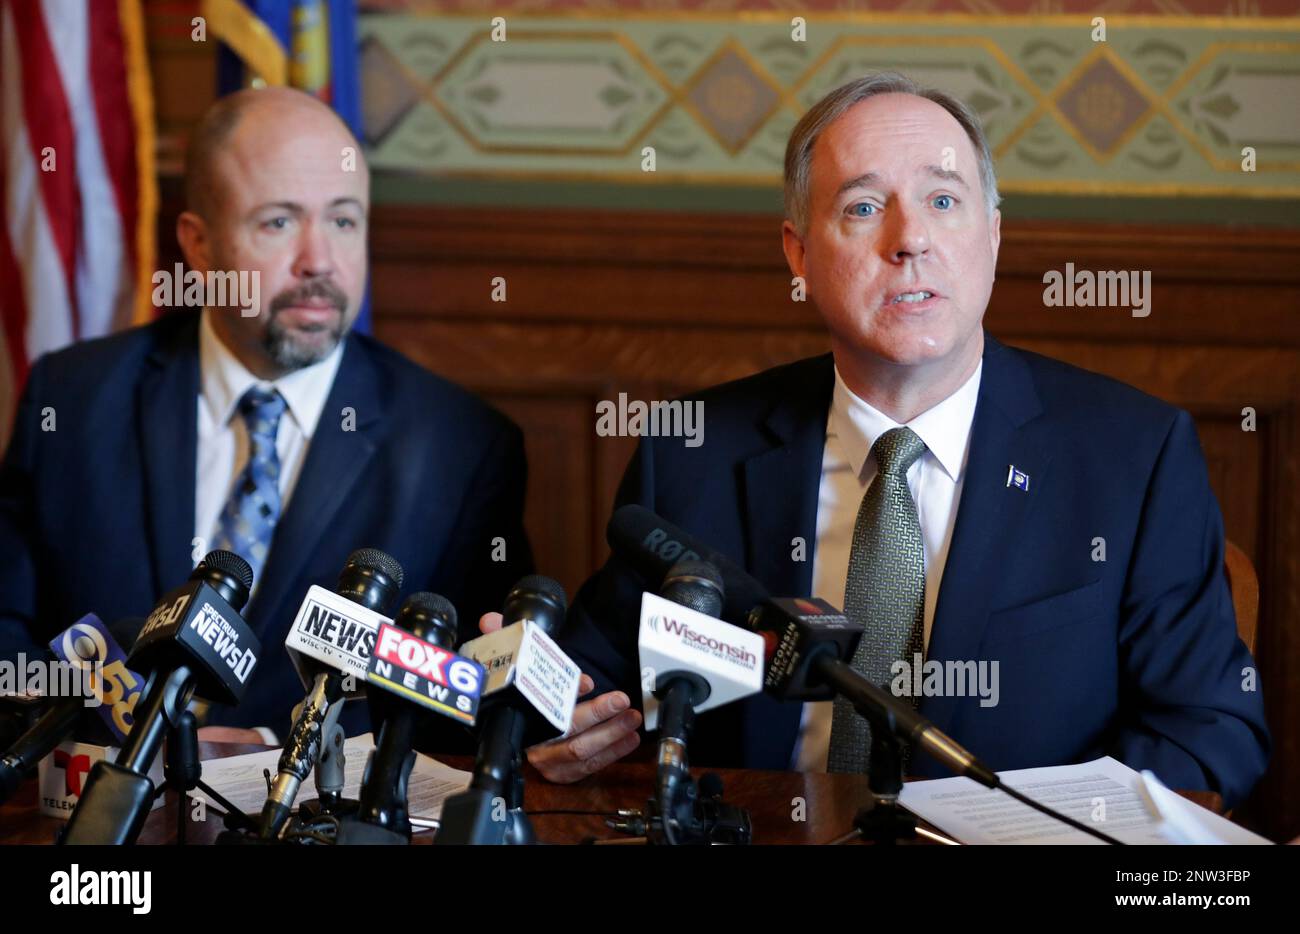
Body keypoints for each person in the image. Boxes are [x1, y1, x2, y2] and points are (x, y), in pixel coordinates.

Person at [507, 73, 1270, 808]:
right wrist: (540, 710)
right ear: (799, 254)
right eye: (865, 207)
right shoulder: (694, 453)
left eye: (944, 201)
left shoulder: (1132, 457)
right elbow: (588, 693)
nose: (910, 241)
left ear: (993, 236)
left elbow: (1210, 732)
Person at [0, 87, 532, 740]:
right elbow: (9, 635)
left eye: (343, 220)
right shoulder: (73, 397)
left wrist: (274, 750)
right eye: (278, 222)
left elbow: (464, 696)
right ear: (198, 245)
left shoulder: (462, 446)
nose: (319, 262)